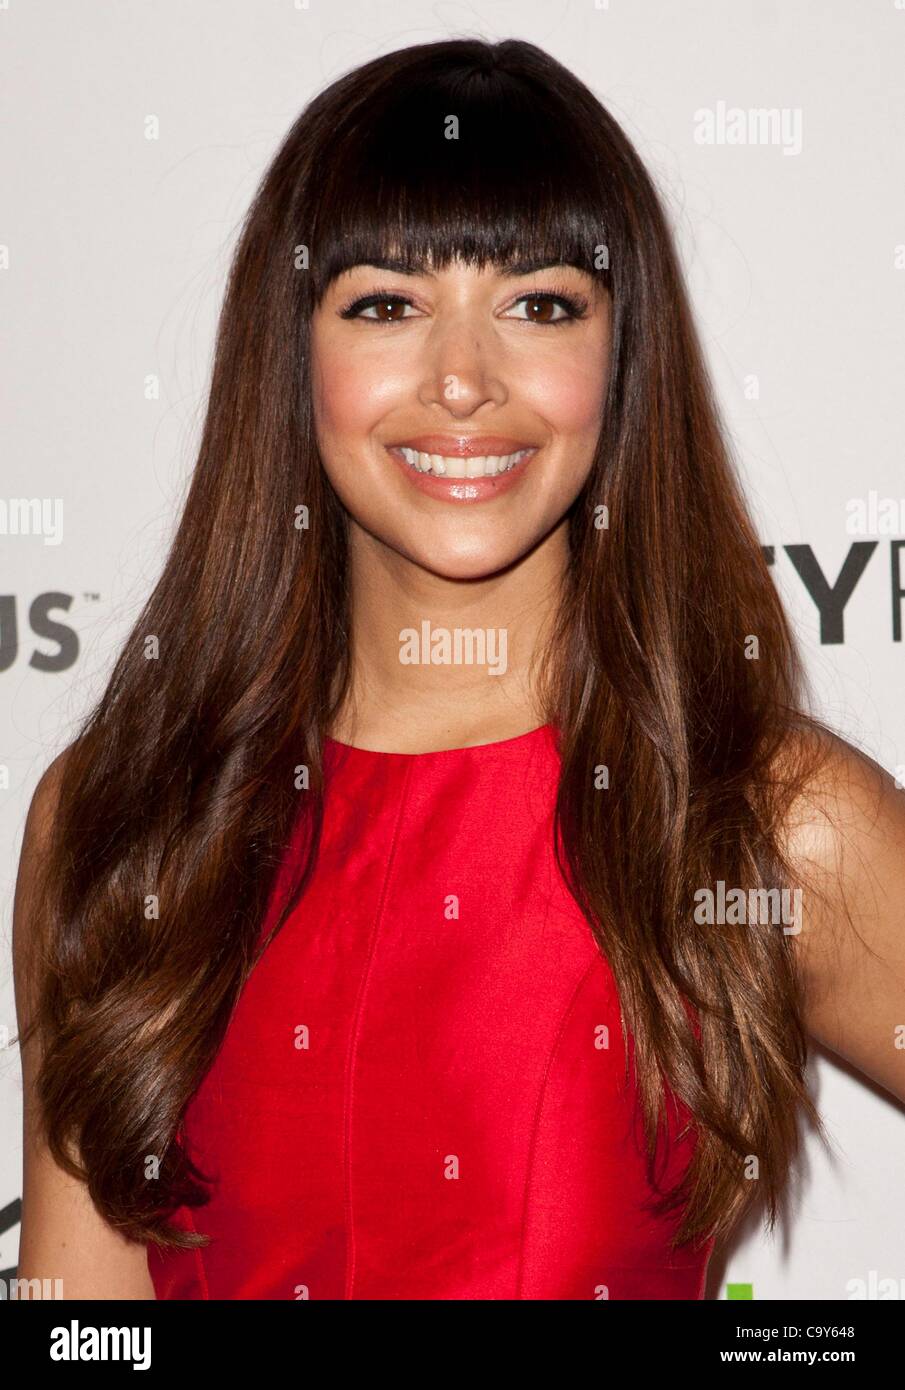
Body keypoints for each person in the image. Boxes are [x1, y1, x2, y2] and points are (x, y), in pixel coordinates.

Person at [13, 37, 905, 1300]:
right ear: (292, 353)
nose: (462, 382)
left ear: (620, 357)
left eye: (539, 303)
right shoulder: (120, 818)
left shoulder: (755, 818)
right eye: (385, 302)